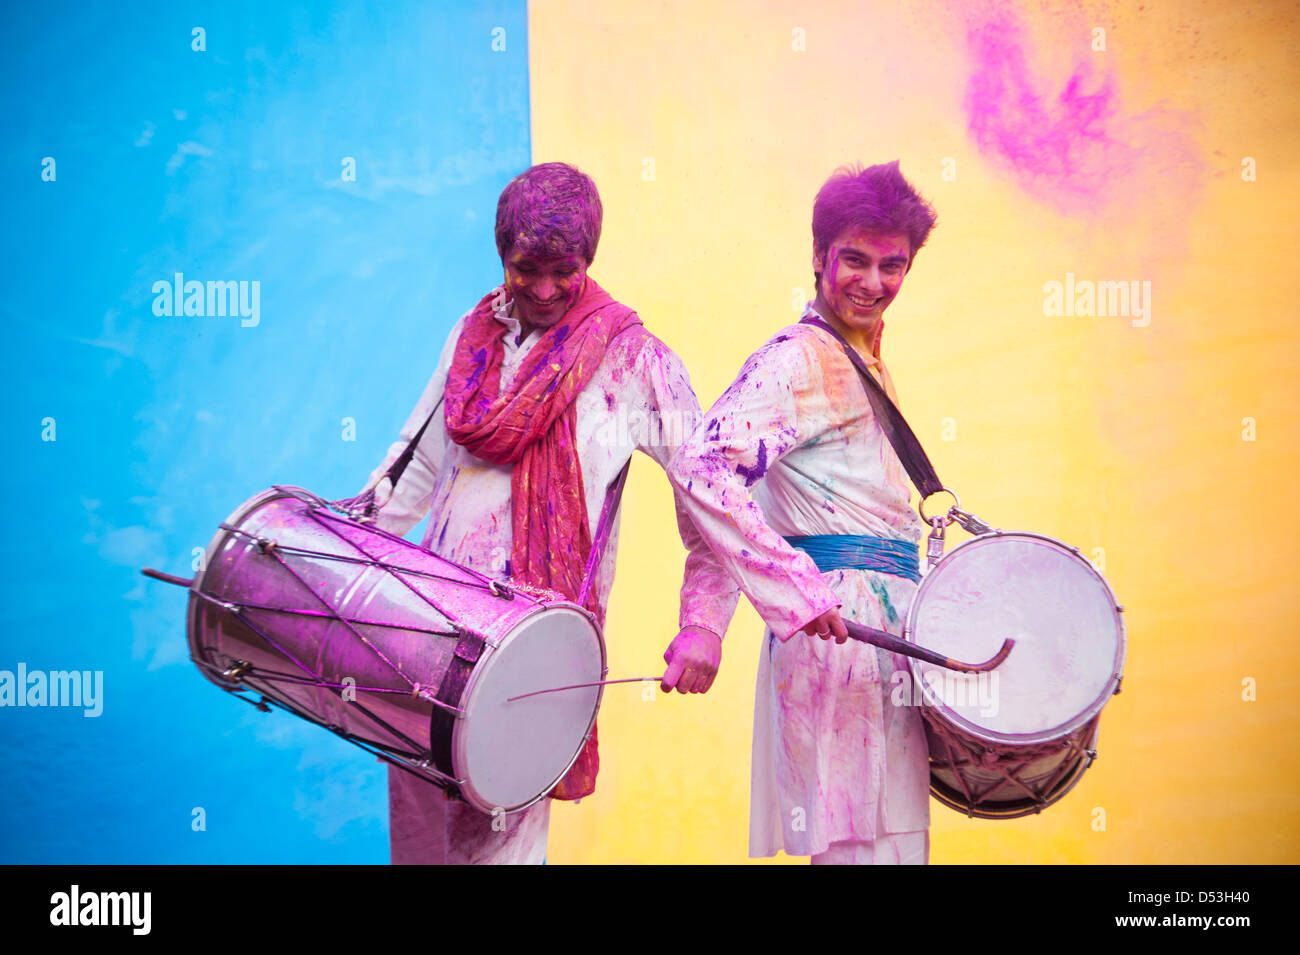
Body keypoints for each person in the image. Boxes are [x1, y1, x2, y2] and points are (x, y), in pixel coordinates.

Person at [358, 162, 739, 865]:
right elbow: (410, 470)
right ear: (502, 256)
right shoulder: (471, 339)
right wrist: (334, 552)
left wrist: (702, 625)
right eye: (523, 266)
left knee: (499, 851)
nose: (541, 288)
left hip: (532, 649)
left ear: (589, 259)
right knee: (420, 846)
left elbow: (718, 505)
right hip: (427, 632)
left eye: (562, 269)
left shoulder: (634, 360)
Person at [667, 161, 938, 865]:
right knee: (856, 850)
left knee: (888, 849)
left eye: (892, 264)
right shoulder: (799, 360)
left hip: (877, 635)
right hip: (837, 633)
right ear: (818, 256)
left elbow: (739, 502)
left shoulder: (861, 361)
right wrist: (790, 586)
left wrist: (706, 623)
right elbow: (702, 467)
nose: (872, 282)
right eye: (854, 258)